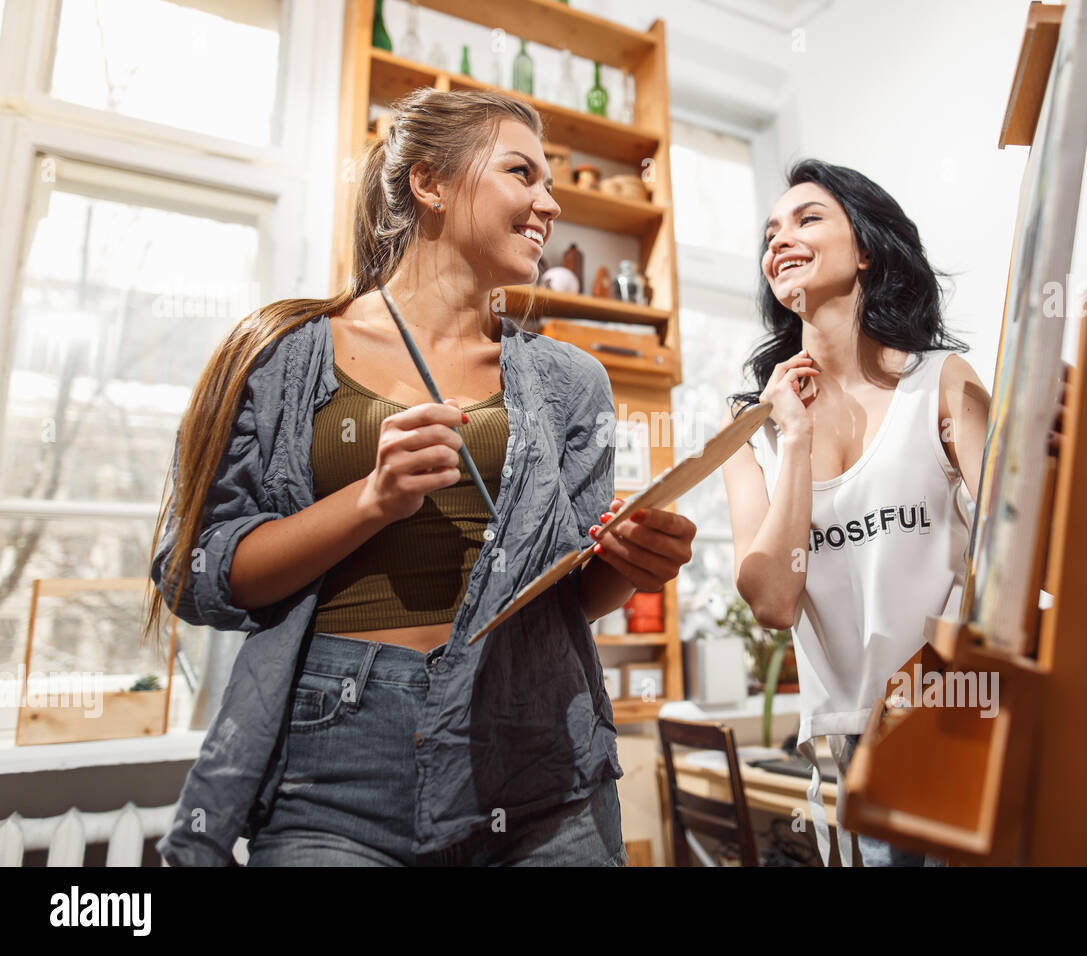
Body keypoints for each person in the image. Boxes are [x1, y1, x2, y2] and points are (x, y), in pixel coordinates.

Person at [143, 88, 696, 866]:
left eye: (551, 184)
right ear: (429, 183)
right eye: (522, 174)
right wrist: (369, 502)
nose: (548, 205)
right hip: (333, 769)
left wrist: (630, 568)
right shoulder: (278, 354)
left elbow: (567, 599)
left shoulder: (574, 383)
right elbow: (194, 573)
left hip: (533, 754)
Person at [719, 159, 990, 867]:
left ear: (865, 248)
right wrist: (798, 439)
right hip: (848, 754)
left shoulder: (942, 383)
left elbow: (1024, 552)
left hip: (958, 727)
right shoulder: (749, 428)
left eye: (808, 218)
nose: (781, 238)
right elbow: (775, 599)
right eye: (771, 230)